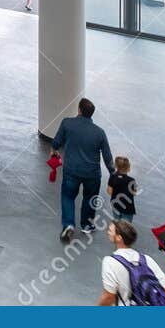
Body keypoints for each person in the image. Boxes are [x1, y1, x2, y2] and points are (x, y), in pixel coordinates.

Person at [49, 98, 114, 240]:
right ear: (91, 113)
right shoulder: (100, 132)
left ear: (79, 110)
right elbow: (107, 156)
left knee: (68, 196)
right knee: (90, 198)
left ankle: (68, 224)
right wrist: (113, 174)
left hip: (71, 170)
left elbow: (56, 142)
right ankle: (87, 225)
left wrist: (54, 150)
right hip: (92, 174)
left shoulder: (67, 123)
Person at [98, 219, 165, 306]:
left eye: (110, 231)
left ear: (119, 238)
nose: (108, 233)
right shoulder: (147, 259)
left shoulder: (109, 262)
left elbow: (108, 296)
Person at [107, 155, 138, 222]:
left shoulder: (112, 177)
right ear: (128, 168)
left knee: (117, 223)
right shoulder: (132, 180)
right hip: (128, 208)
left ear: (116, 167)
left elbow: (109, 191)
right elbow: (134, 193)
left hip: (116, 205)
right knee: (126, 226)